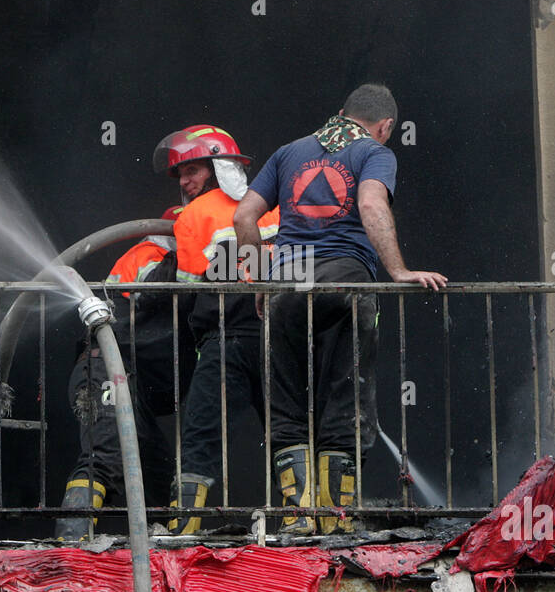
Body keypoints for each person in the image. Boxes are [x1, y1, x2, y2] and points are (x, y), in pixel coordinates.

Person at [233, 84, 446, 535]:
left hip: (286, 287)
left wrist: (258, 278)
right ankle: (336, 521)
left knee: (287, 403)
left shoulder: (289, 152)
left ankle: (297, 518)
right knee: (346, 397)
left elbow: (243, 218)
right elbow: (370, 203)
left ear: (341, 112)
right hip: (346, 283)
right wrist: (398, 270)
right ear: (386, 126)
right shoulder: (374, 153)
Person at [155, 125, 279, 534]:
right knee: (289, 429)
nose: (185, 182)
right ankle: (312, 519)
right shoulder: (271, 204)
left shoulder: (194, 215)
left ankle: (184, 527)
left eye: (191, 170)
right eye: (180, 175)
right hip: (280, 337)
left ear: (214, 165)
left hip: (225, 337)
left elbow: (189, 290)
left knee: (201, 432)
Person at [54, 205, 194, 540]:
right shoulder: (150, 256)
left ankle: (160, 543)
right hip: (103, 368)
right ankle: (71, 538)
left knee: (156, 467)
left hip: (126, 379)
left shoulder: (167, 259)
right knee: (105, 454)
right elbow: (150, 297)